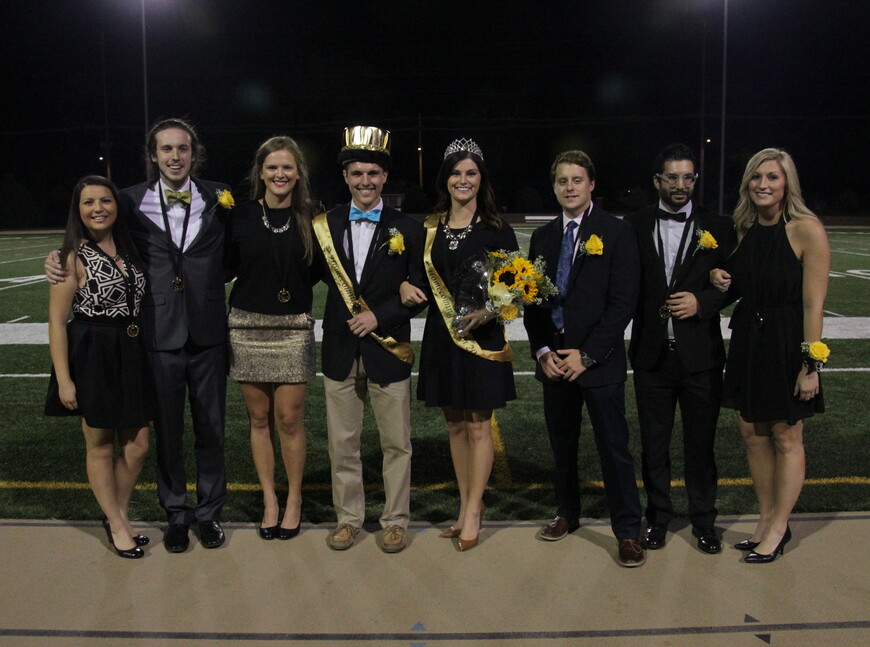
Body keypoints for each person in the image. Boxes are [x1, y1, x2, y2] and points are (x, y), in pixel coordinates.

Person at [46, 118, 233, 553]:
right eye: (165, 149)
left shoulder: (220, 197)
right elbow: (94, 234)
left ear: (194, 152)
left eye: (182, 149)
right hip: (154, 332)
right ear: (153, 155)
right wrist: (56, 258)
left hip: (207, 333)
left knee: (212, 429)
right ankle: (176, 515)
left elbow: (233, 255)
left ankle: (208, 514)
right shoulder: (127, 201)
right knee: (165, 431)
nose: (174, 156)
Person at [523, 150, 645, 567]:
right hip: (555, 365)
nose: (569, 188)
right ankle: (566, 513)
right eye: (562, 181)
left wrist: (588, 355)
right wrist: (541, 352)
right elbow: (532, 302)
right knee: (563, 448)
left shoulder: (616, 231)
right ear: (554, 186)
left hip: (599, 364)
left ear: (592, 184)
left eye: (577, 180)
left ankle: (628, 531)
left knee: (614, 448)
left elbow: (623, 303)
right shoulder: (541, 238)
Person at [711, 148, 829, 563]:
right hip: (748, 338)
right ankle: (765, 519)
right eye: (757, 177)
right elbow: (738, 283)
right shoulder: (742, 229)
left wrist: (810, 365)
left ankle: (780, 526)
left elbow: (814, 306)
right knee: (751, 433)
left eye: (773, 178)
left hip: (786, 341)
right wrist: (716, 274)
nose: (763, 184)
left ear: (786, 184)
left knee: (785, 434)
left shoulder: (806, 229)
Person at [312, 126, 426, 553]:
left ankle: (395, 520)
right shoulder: (325, 225)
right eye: (357, 173)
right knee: (343, 445)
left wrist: (381, 314)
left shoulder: (409, 228)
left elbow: (422, 291)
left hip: (388, 349)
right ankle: (349, 519)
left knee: (397, 443)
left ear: (384, 177)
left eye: (373, 173)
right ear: (345, 176)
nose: (365, 181)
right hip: (340, 351)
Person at [403, 138, 517, 552]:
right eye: (456, 172)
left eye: (470, 172)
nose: (462, 180)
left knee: (477, 423)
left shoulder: (496, 228)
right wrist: (403, 283)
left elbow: (517, 285)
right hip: (443, 335)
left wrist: (489, 312)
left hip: (481, 337)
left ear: (480, 178)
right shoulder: (430, 227)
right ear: (446, 178)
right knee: (454, 423)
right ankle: (468, 505)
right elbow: (415, 276)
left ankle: (472, 511)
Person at [626, 144, 735, 554]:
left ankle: (704, 522)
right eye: (672, 177)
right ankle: (657, 519)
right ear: (657, 181)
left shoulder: (718, 226)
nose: (681, 185)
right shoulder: (634, 224)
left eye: (688, 177)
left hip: (700, 356)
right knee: (654, 443)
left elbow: (733, 282)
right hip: (651, 355)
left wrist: (702, 302)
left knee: (700, 445)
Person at [45, 176, 152, 558]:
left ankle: (116, 515)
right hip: (93, 353)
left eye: (105, 200)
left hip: (132, 351)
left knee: (138, 445)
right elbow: (57, 322)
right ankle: (118, 523)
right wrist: (64, 380)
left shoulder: (129, 247)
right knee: (100, 445)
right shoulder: (69, 257)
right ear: (78, 210)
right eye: (88, 202)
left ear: (116, 206)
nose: (98, 208)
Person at [224, 136, 323, 540]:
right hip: (247, 326)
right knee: (259, 419)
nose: (280, 175)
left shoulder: (313, 217)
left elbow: (323, 271)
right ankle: (270, 499)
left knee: (289, 419)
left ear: (298, 173)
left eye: (287, 168)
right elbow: (222, 266)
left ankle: (294, 498)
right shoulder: (240, 215)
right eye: (272, 168)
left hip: (294, 327)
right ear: (260, 173)